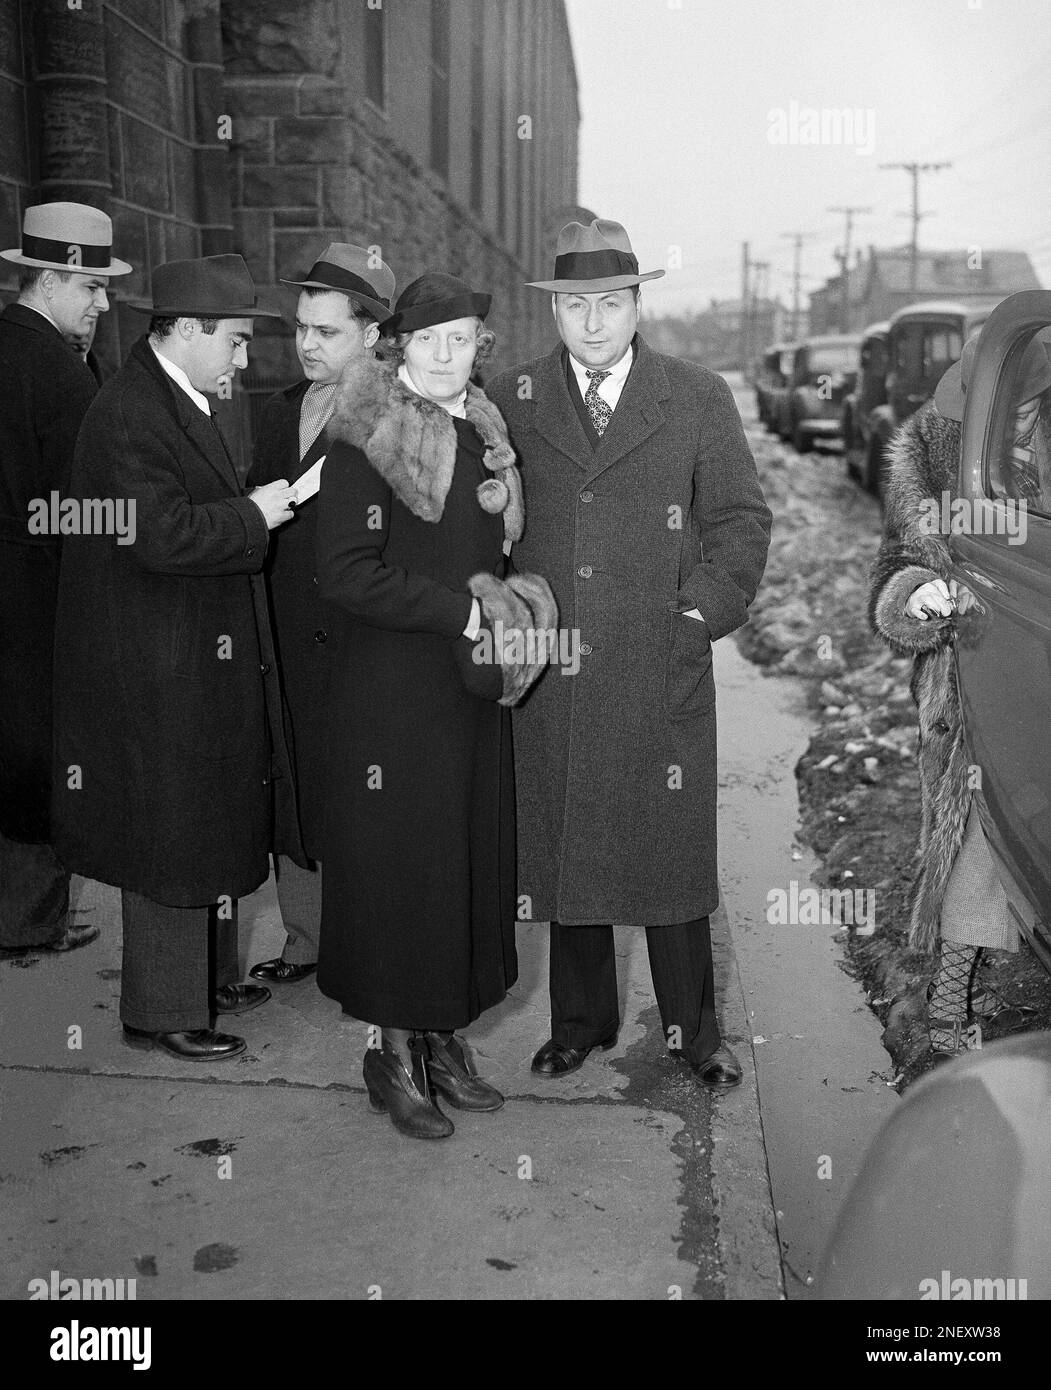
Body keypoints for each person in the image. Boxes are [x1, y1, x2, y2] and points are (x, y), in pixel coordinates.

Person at [487, 219, 773, 1089]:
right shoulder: (511, 396)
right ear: (556, 312)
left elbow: (739, 521)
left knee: (667, 863)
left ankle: (691, 1033)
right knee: (569, 853)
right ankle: (579, 1025)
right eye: (575, 305)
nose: (593, 321)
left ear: (637, 304)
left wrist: (697, 614)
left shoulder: (693, 395)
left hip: (657, 664)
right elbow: (482, 520)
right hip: (556, 668)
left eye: (610, 302)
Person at [315, 272, 556, 1139]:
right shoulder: (366, 436)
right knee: (402, 872)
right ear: (398, 348)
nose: (450, 355)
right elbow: (341, 571)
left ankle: (442, 1038)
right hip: (392, 697)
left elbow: (485, 543)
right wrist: (459, 610)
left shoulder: (482, 424)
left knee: (460, 862)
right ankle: (391, 1053)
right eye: (430, 342)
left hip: (468, 689)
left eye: (462, 340)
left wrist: (513, 607)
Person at [51, 254, 299, 1062]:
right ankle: (160, 1011)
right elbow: (159, 536)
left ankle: (207, 981)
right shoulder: (131, 413)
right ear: (185, 330)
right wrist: (255, 515)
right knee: (171, 830)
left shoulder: (170, 396)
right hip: (157, 660)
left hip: (188, 649)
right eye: (232, 340)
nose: (242, 358)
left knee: (212, 815)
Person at [869, 329, 1051, 1060]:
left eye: (1030, 409)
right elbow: (896, 562)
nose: (1017, 423)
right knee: (976, 834)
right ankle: (948, 1005)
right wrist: (913, 597)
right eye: (1004, 409)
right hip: (975, 674)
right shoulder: (930, 453)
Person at [246, 244, 396, 985]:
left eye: (326, 331)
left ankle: (368, 943)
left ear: (371, 334)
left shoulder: (400, 417)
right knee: (294, 782)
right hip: (284, 636)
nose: (306, 344)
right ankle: (304, 937)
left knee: (361, 794)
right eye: (301, 328)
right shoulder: (273, 412)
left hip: (361, 640)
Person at [0, 202, 130, 957]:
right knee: (39, 753)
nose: (102, 304)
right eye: (91, 289)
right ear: (50, 280)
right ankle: (28, 922)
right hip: (41, 596)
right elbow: (85, 507)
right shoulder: (60, 373)